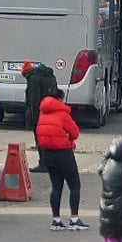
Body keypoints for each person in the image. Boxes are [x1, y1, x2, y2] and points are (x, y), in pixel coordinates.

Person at [36, 88, 88, 231]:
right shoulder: (63, 114)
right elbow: (75, 132)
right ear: (59, 99)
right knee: (74, 186)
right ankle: (74, 219)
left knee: (56, 187)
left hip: (48, 154)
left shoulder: (42, 113)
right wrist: (69, 139)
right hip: (64, 154)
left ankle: (56, 220)